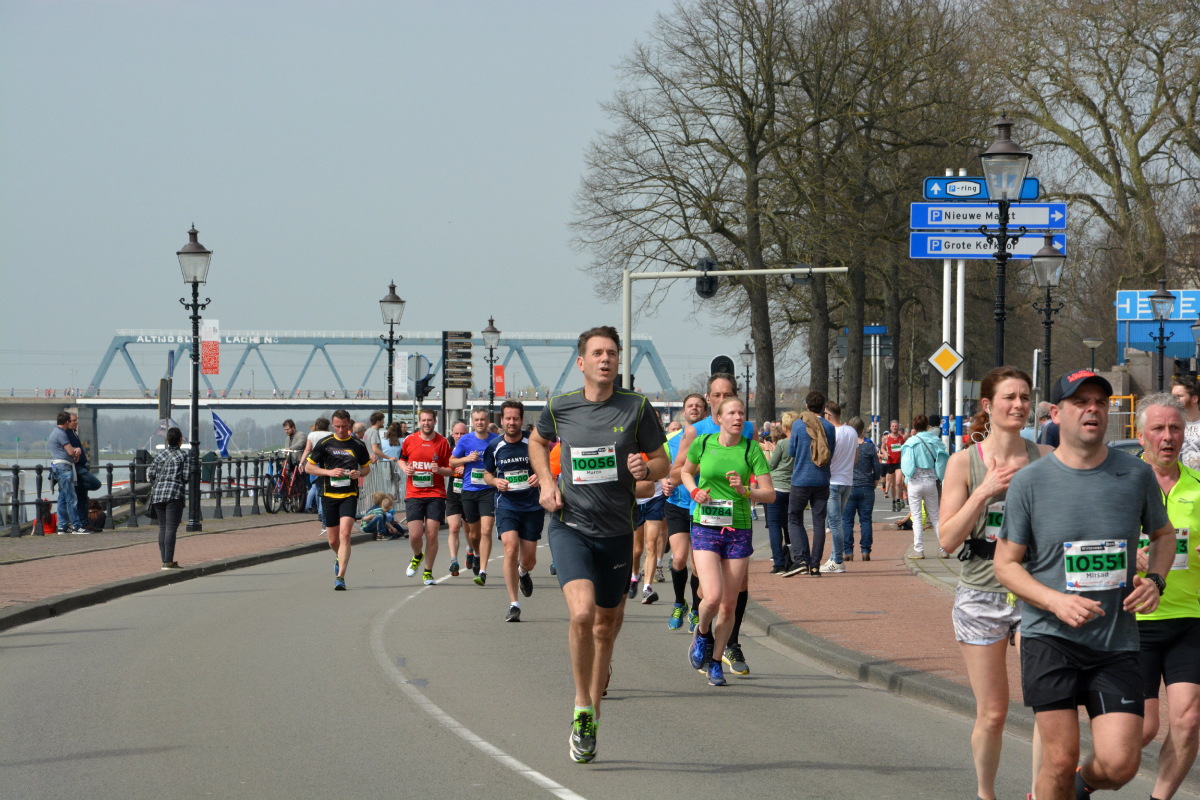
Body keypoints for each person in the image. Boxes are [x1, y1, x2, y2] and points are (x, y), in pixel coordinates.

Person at [995, 370, 1174, 800]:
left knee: (1120, 764)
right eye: (1080, 402)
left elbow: (1164, 536)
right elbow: (1006, 565)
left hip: (1114, 640)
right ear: (1057, 414)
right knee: (1056, 759)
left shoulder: (1135, 475)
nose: (1092, 409)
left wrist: (1155, 580)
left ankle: (1078, 786)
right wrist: (1055, 601)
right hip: (1050, 636)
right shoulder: (1030, 482)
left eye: (1100, 401)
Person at [528, 325, 668, 763]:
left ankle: (595, 705)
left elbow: (663, 461)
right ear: (582, 362)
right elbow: (537, 441)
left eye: (612, 353)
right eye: (597, 353)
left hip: (616, 531)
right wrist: (548, 483)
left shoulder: (637, 407)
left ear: (618, 361)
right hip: (570, 524)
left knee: (606, 626)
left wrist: (646, 470)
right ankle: (582, 707)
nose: (606, 359)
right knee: (582, 613)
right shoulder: (559, 407)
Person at [939, 367, 1049, 800]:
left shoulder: (1045, 458)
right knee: (994, 713)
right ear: (987, 406)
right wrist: (983, 491)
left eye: (1025, 397)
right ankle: (986, 793)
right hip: (981, 592)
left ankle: (1043, 792)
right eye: (1009, 398)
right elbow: (947, 540)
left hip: (1033, 591)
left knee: (1049, 707)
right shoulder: (962, 462)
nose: (1019, 405)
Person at [679, 396, 774, 685]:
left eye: (741, 413)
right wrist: (694, 491)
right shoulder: (704, 443)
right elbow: (685, 471)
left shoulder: (751, 449)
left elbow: (769, 494)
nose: (737, 417)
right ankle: (702, 633)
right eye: (731, 412)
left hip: (739, 528)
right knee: (712, 596)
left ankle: (716, 661)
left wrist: (746, 490)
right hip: (706, 525)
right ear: (718, 417)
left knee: (729, 605)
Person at [1133, 394, 1200, 800]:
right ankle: (1074, 779)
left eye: (1175, 428)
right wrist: (1128, 554)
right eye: (1158, 429)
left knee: (1189, 721)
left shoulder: (1198, 487)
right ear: (1141, 435)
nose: (1167, 437)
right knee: (1141, 729)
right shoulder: (1121, 483)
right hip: (1134, 622)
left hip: (1189, 619)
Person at [668, 375, 757, 668]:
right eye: (717, 395)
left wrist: (748, 490)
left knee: (738, 586)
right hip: (703, 515)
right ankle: (702, 629)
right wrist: (680, 486)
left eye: (729, 394)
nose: (723, 400)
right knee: (709, 591)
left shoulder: (747, 430)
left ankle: (731, 645)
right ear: (710, 400)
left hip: (736, 519)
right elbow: (679, 468)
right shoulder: (696, 432)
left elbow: (752, 466)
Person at [484, 400, 543, 622]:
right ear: (502, 420)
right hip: (506, 504)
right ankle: (513, 604)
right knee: (510, 549)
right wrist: (495, 481)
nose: (511, 422)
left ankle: (523, 572)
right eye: (507, 418)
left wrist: (539, 476)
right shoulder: (494, 446)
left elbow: (546, 467)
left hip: (532, 505)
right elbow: (487, 474)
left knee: (529, 559)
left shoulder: (532, 444)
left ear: (521, 420)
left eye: (515, 418)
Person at [306, 409, 371, 591]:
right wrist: (329, 472)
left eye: (344, 426)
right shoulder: (325, 443)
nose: (341, 430)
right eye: (337, 426)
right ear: (333, 425)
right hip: (329, 495)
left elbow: (366, 469)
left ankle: (340, 576)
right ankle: (339, 556)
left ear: (349, 424)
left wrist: (359, 473)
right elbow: (309, 467)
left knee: (345, 535)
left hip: (349, 495)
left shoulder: (358, 444)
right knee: (333, 541)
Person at [662, 393, 708, 628]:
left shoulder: (712, 439)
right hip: (677, 504)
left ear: (705, 411)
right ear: (684, 410)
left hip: (702, 506)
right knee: (679, 558)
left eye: (698, 406)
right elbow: (663, 465)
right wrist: (663, 479)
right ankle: (680, 603)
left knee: (698, 564)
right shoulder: (672, 439)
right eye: (690, 406)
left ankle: (697, 608)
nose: (694, 409)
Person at [783, 391, 837, 577]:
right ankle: (815, 565)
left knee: (794, 517)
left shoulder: (798, 425)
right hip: (822, 479)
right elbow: (832, 451)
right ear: (823, 408)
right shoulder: (829, 427)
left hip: (801, 479)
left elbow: (791, 451)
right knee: (819, 522)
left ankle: (801, 559)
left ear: (807, 406)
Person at [397, 409, 453, 586]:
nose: (426, 423)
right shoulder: (410, 440)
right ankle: (417, 555)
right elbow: (401, 459)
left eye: (429, 420)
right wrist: (404, 468)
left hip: (435, 494)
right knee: (414, 535)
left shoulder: (442, 442)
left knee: (431, 534)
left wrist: (440, 470)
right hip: (414, 493)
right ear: (419, 422)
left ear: (434, 422)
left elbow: (451, 469)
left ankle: (428, 572)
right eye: (423, 420)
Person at [450, 409, 500, 586]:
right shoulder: (465, 440)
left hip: (488, 489)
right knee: (474, 533)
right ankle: (476, 554)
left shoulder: (495, 440)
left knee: (486, 531)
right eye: (477, 419)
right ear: (473, 421)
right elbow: (451, 462)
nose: (480, 422)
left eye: (483, 419)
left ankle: (483, 570)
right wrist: (466, 459)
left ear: (488, 421)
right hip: (469, 491)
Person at [900, 415, 950, 559]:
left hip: (915, 482)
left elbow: (907, 466)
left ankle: (918, 549)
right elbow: (942, 456)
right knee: (935, 516)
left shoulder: (911, 442)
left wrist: (907, 477)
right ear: (927, 425)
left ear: (914, 427)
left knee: (916, 517)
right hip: (931, 481)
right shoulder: (934, 440)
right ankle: (944, 548)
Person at [822, 401, 858, 572]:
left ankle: (837, 560)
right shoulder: (851, 431)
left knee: (834, 523)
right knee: (839, 521)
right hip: (847, 480)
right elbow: (855, 458)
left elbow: (826, 457)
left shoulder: (831, 432)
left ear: (828, 416)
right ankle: (833, 557)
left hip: (833, 480)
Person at [148, 427, 190, 569]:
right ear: (180, 441)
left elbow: (151, 474)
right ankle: (169, 561)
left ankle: (164, 560)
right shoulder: (183, 456)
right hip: (174, 495)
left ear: (166, 440)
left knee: (163, 528)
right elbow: (185, 477)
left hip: (158, 495)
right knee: (171, 528)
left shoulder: (160, 455)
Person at [842, 417, 879, 561]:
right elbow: (877, 468)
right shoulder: (869, 447)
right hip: (866, 486)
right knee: (866, 520)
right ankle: (865, 550)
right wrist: (874, 482)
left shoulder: (845, 447)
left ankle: (848, 550)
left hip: (849, 486)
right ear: (863, 430)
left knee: (847, 520)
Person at [766, 415, 796, 574]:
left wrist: (767, 452)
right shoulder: (800, 443)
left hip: (777, 487)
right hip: (793, 487)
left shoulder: (783, 444)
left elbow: (771, 464)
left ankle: (778, 562)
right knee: (793, 524)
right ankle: (797, 558)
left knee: (774, 525)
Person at [48, 411, 86, 533]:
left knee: (63, 498)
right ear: (66, 422)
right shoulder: (61, 434)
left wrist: (75, 450)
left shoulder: (55, 432)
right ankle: (76, 526)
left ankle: (62, 526)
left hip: (58, 468)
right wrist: (77, 451)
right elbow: (70, 452)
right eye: (70, 421)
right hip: (63, 468)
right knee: (71, 498)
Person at [67, 413, 102, 531]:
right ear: (68, 422)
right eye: (73, 421)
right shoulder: (66, 434)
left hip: (82, 466)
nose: (76, 422)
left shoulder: (73, 433)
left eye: (76, 420)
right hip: (78, 467)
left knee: (82, 498)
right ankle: (76, 486)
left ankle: (84, 523)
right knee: (96, 483)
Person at [300, 418, 332, 530]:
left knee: (318, 489)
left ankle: (319, 512)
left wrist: (301, 463)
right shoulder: (331, 434)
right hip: (328, 465)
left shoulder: (312, 435)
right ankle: (325, 520)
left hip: (314, 464)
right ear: (328, 425)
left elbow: (307, 450)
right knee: (327, 492)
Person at [445, 421, 469, 576]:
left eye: (462, 433)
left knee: (470, 531)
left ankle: (471, 550)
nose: (459, 436)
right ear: (452, 434)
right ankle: (454, 560)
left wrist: (466, 466)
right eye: (456, 433)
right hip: (454, 492)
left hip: (470, 493)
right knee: (454, 528)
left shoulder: (472, 447)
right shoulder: (447, 449)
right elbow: (444, 465)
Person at [1170, 374, 1200, 470]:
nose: (1174, 400)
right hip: (1180, 482)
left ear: (1194, 399)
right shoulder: (1170, 425)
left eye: (1179, 396)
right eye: (1173, 396)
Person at [882, 420, 906, 511]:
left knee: (898, 482)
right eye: (893, 426)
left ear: (898, 427)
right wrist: (885, 453)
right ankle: (893, 501)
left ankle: (899, 500)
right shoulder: (886, 438)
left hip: (899, 463)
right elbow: (882, 448)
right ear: (890, 427)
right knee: (892, 484)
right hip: (890, 462)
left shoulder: (902, 438)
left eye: (896, 426)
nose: (895, 428)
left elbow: (905, 447)